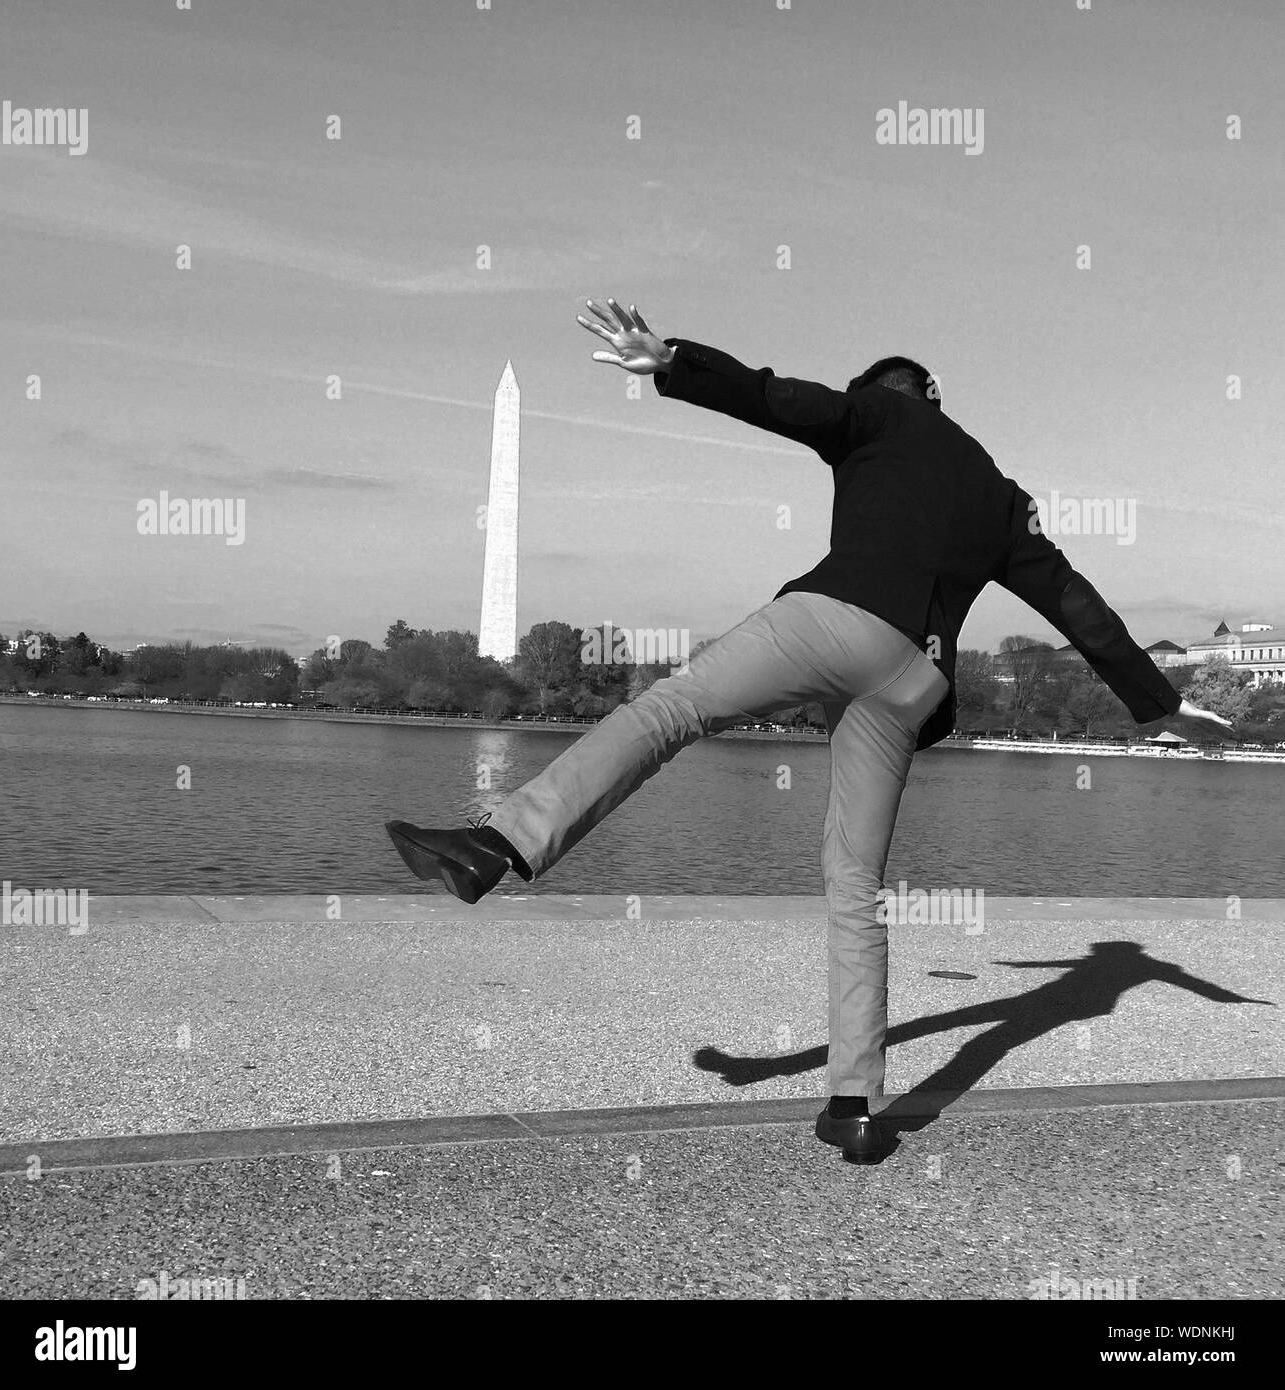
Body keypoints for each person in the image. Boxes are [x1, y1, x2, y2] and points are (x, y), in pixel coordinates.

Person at [386, 297, 1233, 1163]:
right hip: (913, 684)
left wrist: (672, 361)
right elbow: (1074, 602)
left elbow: (774, 396)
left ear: (890, 392)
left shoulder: (878, 412)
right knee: (854, 884)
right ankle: (855, 1106)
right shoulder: (1003, 497)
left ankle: (505, 842)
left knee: (673, 709)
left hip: (834, 623)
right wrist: (1158, 703)